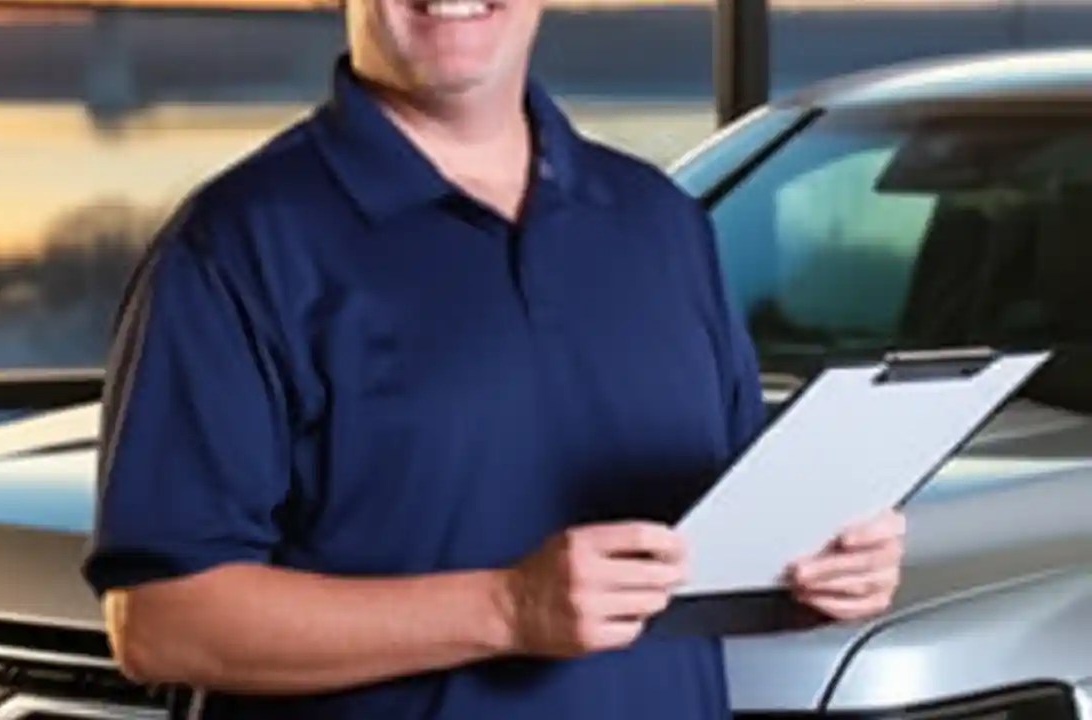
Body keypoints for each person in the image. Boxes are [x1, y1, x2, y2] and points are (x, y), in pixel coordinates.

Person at [81, 0, 907, 717]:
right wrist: (508, 609)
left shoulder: (660, 224)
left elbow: (711, 550)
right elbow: (161, 622)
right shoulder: (234, 247)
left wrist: (814, 576)